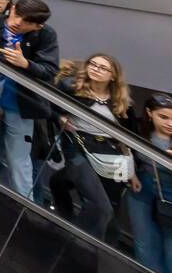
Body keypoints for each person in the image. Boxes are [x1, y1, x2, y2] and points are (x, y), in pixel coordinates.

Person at [0, 0, 59, 200]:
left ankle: (24, 206)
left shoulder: (45, 35)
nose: (17, 23)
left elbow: (50, 69)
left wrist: (25, 64)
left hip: (20, 103)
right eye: (17, 15)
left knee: (19, 159)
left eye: (26, 22)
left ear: (37, 26)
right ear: (12, 8)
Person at [51, 54, 133, 240]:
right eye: (93, 64)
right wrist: (60, 118)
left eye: (103, 68)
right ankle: (77, 243)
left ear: (113, 75)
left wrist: (132, 170)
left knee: (109, 208)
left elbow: (127, 137)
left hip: (109, 154)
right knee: (100, 205)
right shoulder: (72, 86)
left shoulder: (120, 100)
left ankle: (70, 231)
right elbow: (49, 106)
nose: (95, 69)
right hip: (78, 147)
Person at [124, 93, 172, 273]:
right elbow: (126, 150)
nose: (170, 124)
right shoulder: (140, 131)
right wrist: (133, 173)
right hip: (142, 189)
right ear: (150, 113)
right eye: (163, 117)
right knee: (144, 242)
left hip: (169, 193)